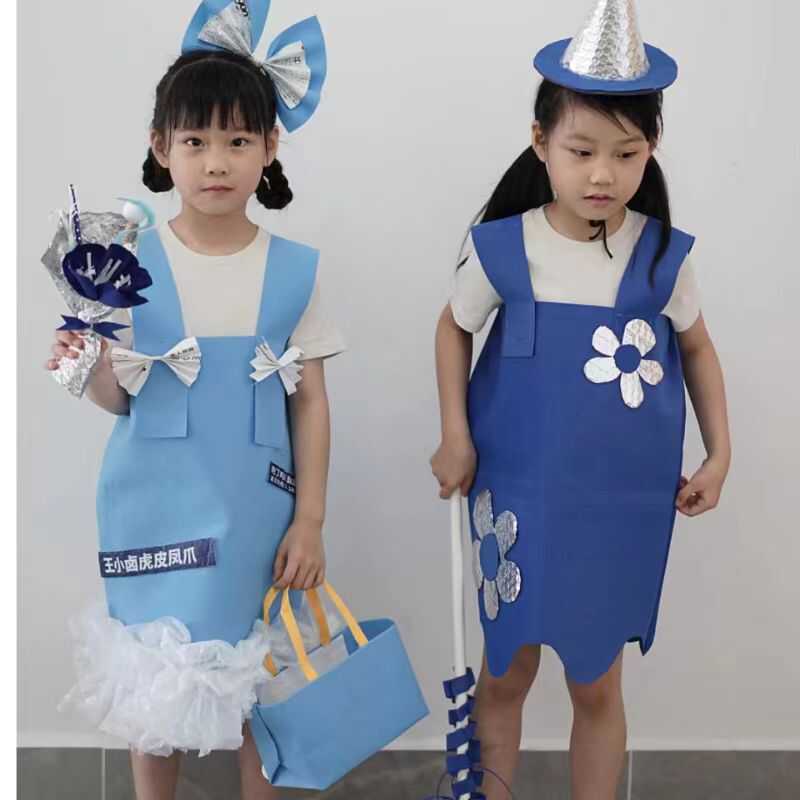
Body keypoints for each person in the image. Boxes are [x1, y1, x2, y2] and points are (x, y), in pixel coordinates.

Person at [430, 2, 731, 797]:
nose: (603, 174)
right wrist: (455, 433)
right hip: (517, 492)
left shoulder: (661, 257)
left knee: (596, 681)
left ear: (651, 148)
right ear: (541, 143)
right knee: (506, 670)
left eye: (625, 154)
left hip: (617, 501)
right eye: (582, 151)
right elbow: (453, 329)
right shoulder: (504, 248)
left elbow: (697, 348)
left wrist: (720, 453)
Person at [46, 2, 342, 798]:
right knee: (157, 674)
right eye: (196, 141)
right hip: (152, 504)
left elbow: (311, 402)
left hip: (257, 510)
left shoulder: (295, 270)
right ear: (161, 147)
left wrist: (310, 517)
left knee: (260, 681)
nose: (217, 162)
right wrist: (86, 363)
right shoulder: (126, 262)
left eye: (238, 141)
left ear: (270, 147)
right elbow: (122, 398)